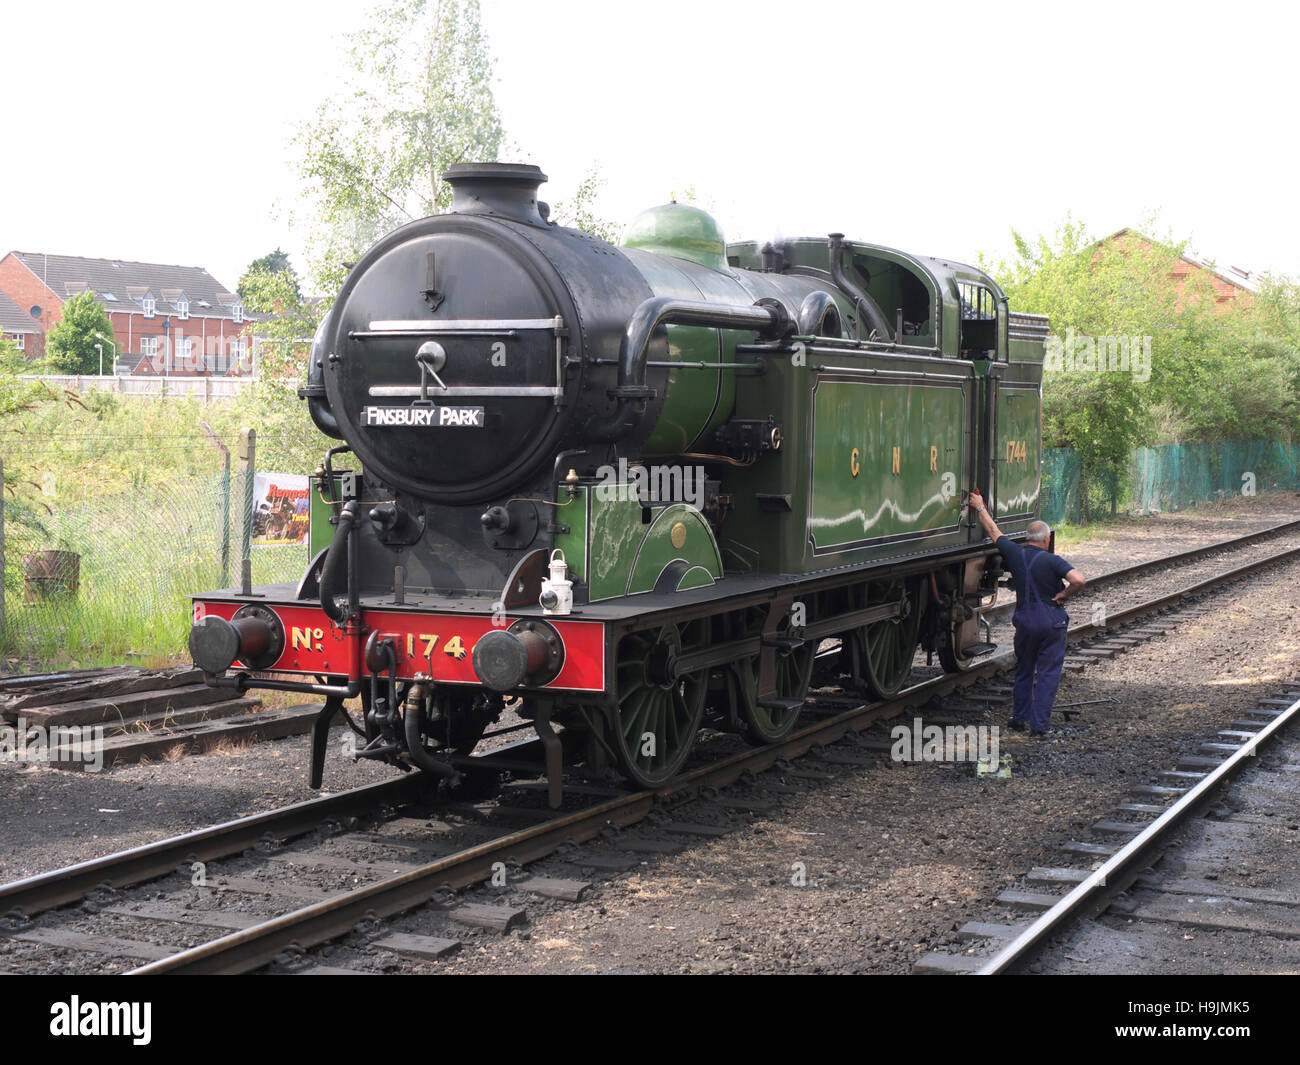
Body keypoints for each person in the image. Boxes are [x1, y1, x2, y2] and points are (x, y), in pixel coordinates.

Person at [968, 490, 1086, 736]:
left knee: (1024, 670)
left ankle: (1018, 719)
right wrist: (1064, 595)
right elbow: (1079, 580)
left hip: (1025, 622)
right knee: (1047, 674)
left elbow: (993, 532)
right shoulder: (1052, 560)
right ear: (1045, 539)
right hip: (1050, 622)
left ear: (1027, 538)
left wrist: (979, 507)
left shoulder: (1015, 553)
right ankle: (1039, 726)